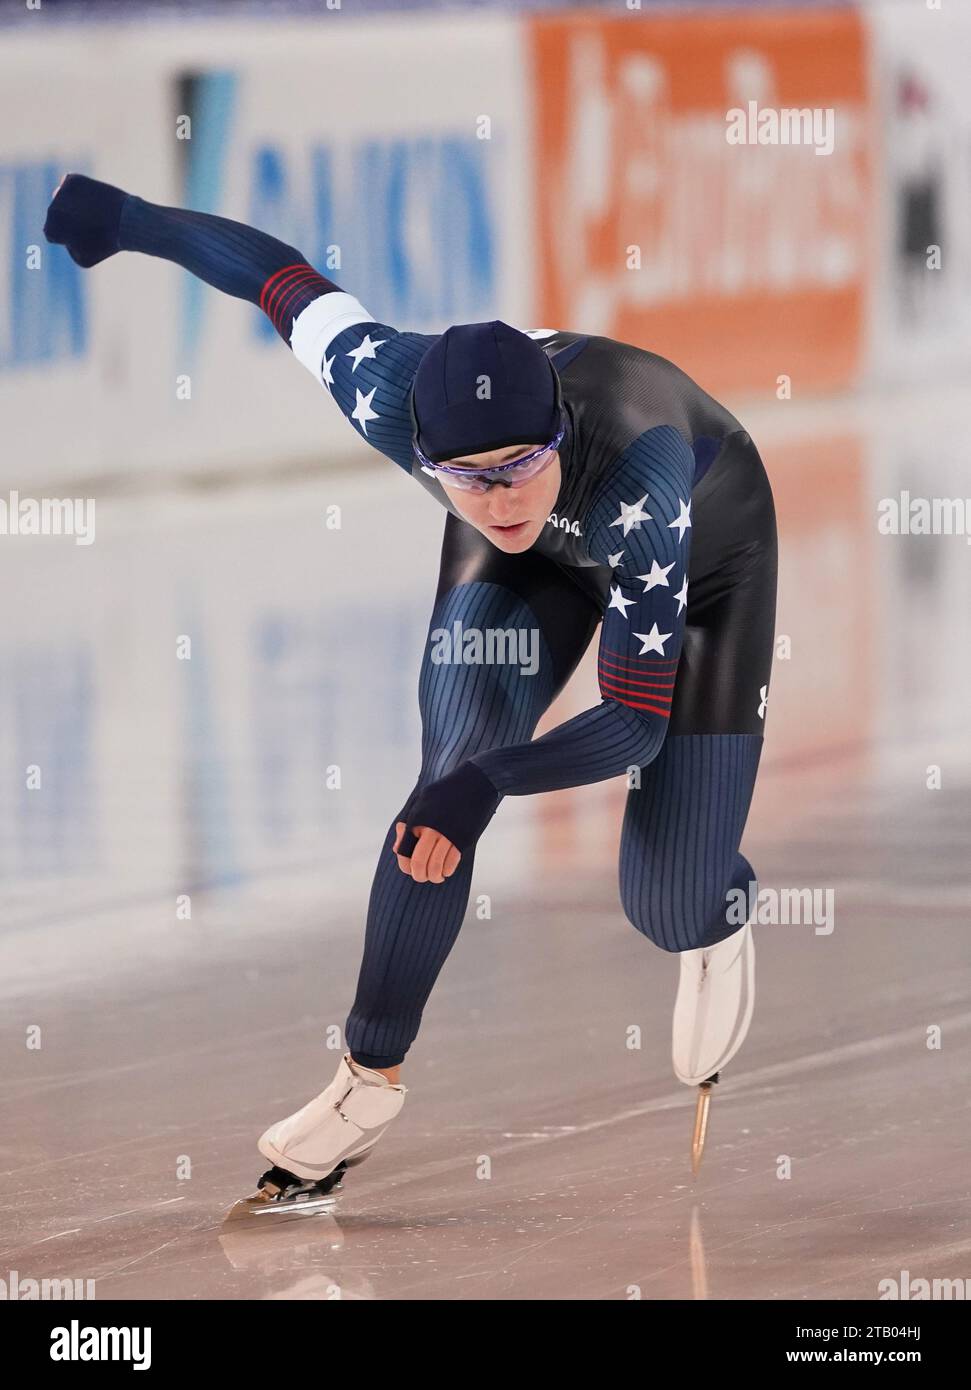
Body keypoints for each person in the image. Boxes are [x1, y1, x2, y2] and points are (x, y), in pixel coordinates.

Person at [44, 174, 777, 1206]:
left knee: (656, 898)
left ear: (556, 437)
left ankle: (717, 900)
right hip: (531, 569)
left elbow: (629, 726)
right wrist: (125, 221)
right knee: (435, 789)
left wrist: (491, 782)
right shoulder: (385, 390)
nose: (499, 494)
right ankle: (365, 1077)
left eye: (519, 465)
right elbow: (279, 281)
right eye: (466, 475)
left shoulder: (643, 472)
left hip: (701, 570)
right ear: (421, 451)